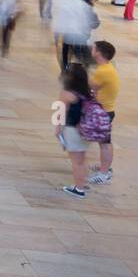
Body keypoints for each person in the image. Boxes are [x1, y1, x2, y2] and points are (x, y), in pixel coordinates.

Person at [56, 62, 93, 198]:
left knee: (76, 161)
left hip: (72, 130)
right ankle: (82, 183)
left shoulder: (67, 93)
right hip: (86, 130)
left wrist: (57, 129)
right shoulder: (88, 92)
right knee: (82, 159)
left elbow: (60, 112)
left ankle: (79, 189)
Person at [89, 41, 119, 185]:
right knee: (103, 142)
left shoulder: (102, 71)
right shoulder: (107, 67)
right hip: (107, 110)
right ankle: (104, 167)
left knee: (105, 143)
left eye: (94, 48)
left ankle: (104, 173)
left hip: (104, 112)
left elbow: (90, 88)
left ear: (99, 53)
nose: (91, 49)